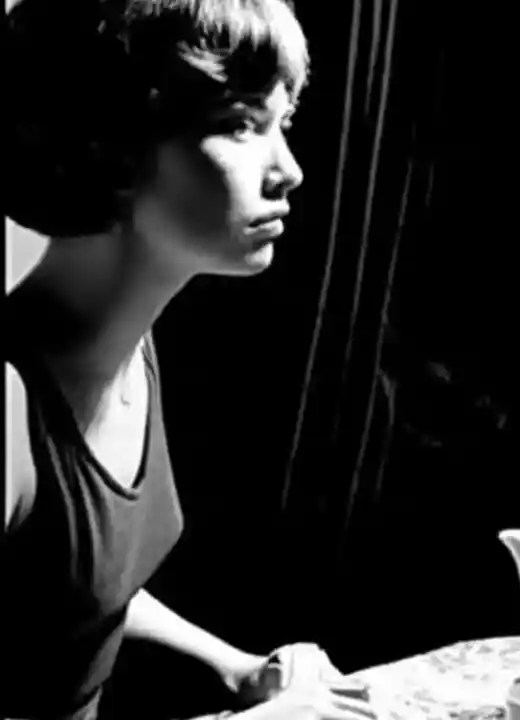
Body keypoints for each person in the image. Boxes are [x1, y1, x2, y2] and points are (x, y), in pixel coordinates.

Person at [2, 1, 379, 719]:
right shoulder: (8, 405)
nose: (290, 169)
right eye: (240, 124)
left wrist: (234, 669)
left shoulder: (131, 346)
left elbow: (61, 596)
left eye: (281, 124)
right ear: (108, 136)